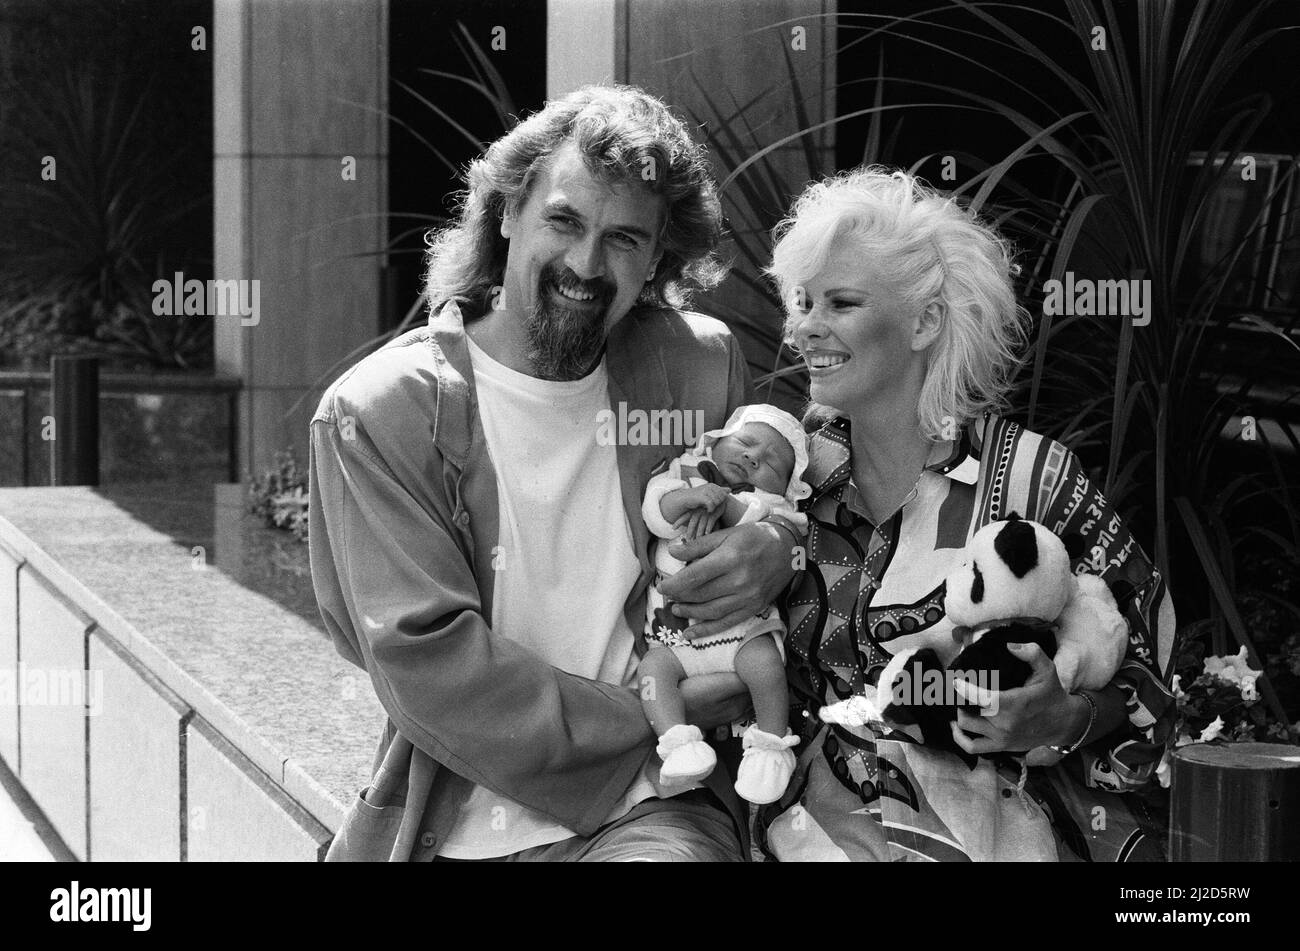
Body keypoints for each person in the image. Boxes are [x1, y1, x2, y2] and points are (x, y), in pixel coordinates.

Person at [308, 84, 801, 862]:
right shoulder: (378, 415)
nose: (585, 263)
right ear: (507, 213)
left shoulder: (698, 367)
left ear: (657, 261)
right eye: (564, 221)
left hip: (656, 808)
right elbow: (432, 669)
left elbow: (781, 506)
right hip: (455, 818)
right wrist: (651, 712)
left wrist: (778, 545)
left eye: (624, 239)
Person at [756, 167, 1178, 861]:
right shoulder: (794, 475)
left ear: (924, 321)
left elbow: (1151, 678)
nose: (805, 327)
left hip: (1001, 833)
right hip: (816, 826)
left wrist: (1062, 715)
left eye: (841, 303)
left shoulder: (1035, 478)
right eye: (803, 301)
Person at [639, 404, 809, 804]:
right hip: (675, 636)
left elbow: (759, 517)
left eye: (770, 463)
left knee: (767, 666)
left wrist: (726, 505)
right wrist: (691, 498)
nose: (753, 457)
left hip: (742, 632)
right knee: (653, 672)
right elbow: (656, 513)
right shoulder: (682, 473)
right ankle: (677, 743)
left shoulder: (772, 505)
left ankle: (769, 748)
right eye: (746, 443)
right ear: (714, 442)